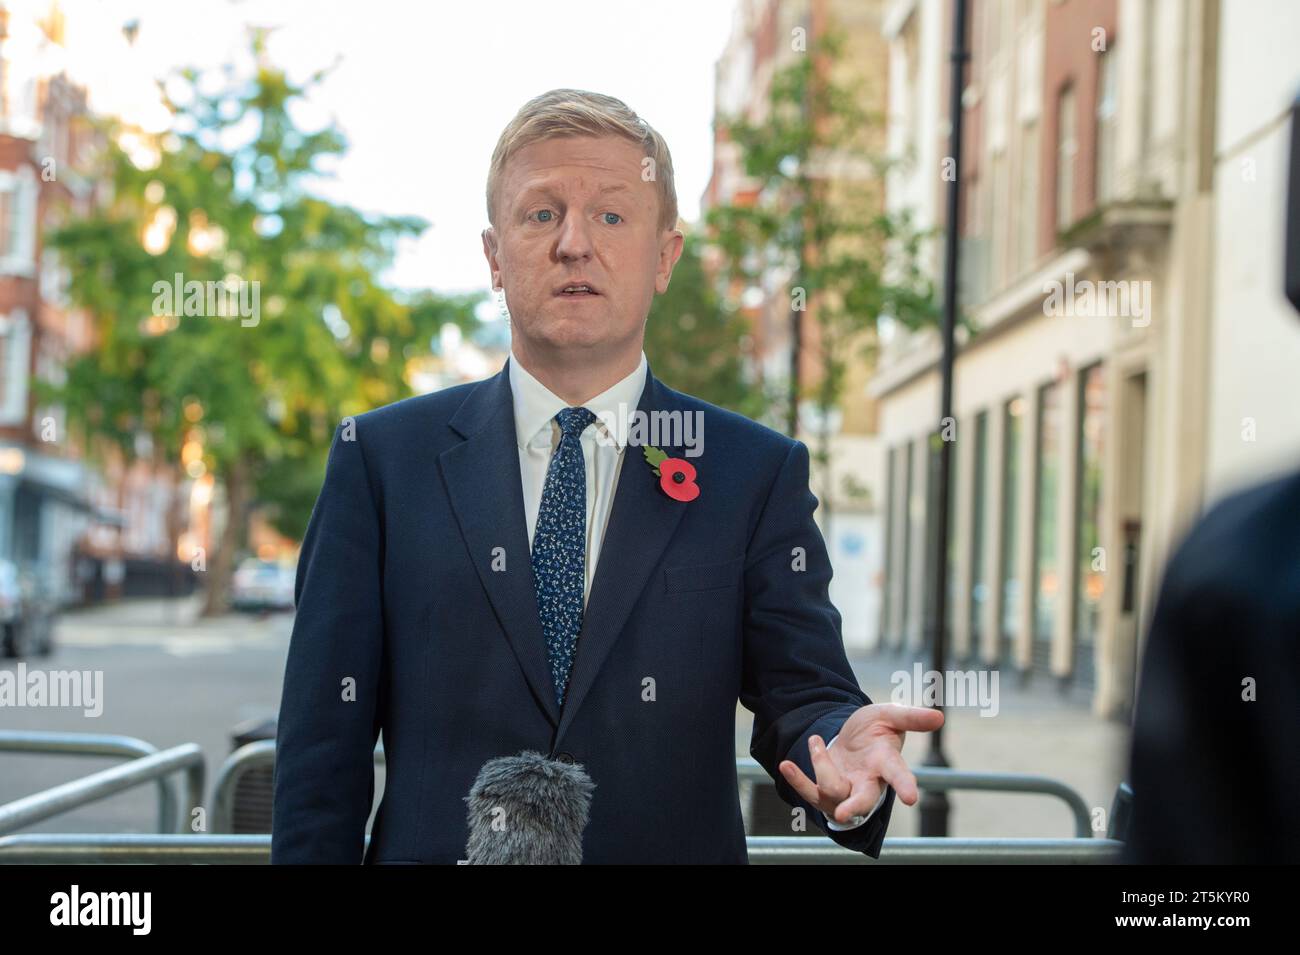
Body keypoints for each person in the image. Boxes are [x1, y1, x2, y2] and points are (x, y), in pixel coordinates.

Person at [271, 88, 943, 864]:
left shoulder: (752, 472)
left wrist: (840, 746)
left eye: (612, 216)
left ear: (665, 258)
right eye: (541, 213)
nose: (574, 244)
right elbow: (322, 745)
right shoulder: (381, 459)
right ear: (495, 257)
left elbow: (804, 690)